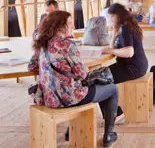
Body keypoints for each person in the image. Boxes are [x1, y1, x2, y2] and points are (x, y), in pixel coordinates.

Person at [28, 10, 118, 147]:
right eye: (69, 23)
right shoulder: (67, 45)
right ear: (59, 26)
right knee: (112, 88)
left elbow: (31, 66)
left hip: (47, 97)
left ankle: (70, 132)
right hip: (69, 98)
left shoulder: (42, 43)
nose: (73, 27)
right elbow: (82, 74)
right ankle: (109, 135)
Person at [103, 3, 149, 121]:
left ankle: (115, 115)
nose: (110, 19)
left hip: (133, 68)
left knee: (99, 80)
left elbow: (129, 52)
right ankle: (114, 113)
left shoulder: (126, 28)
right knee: (99, 75)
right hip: (135, 65)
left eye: (111, 17)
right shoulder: (125, 26)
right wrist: (114, 32)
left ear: (117, 16)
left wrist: (110, 50)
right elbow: (113, 48)